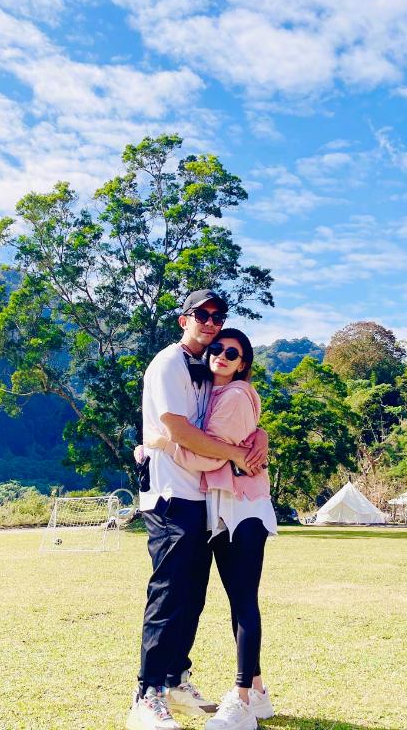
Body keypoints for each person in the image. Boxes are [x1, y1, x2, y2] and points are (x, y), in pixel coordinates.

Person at [127, 291, 268, 730]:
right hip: (171, 497)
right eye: (202, 316)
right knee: (169, 594)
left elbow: (234, 414)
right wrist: (235, 454)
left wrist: (256, 437)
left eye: (217, 317)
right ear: (183, 319)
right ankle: (147, 695)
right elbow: (179, 430)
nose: (210, 324)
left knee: (193, 595)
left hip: (203, 500)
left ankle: (174, 680)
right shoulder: (169, 363)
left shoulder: (208, 370)